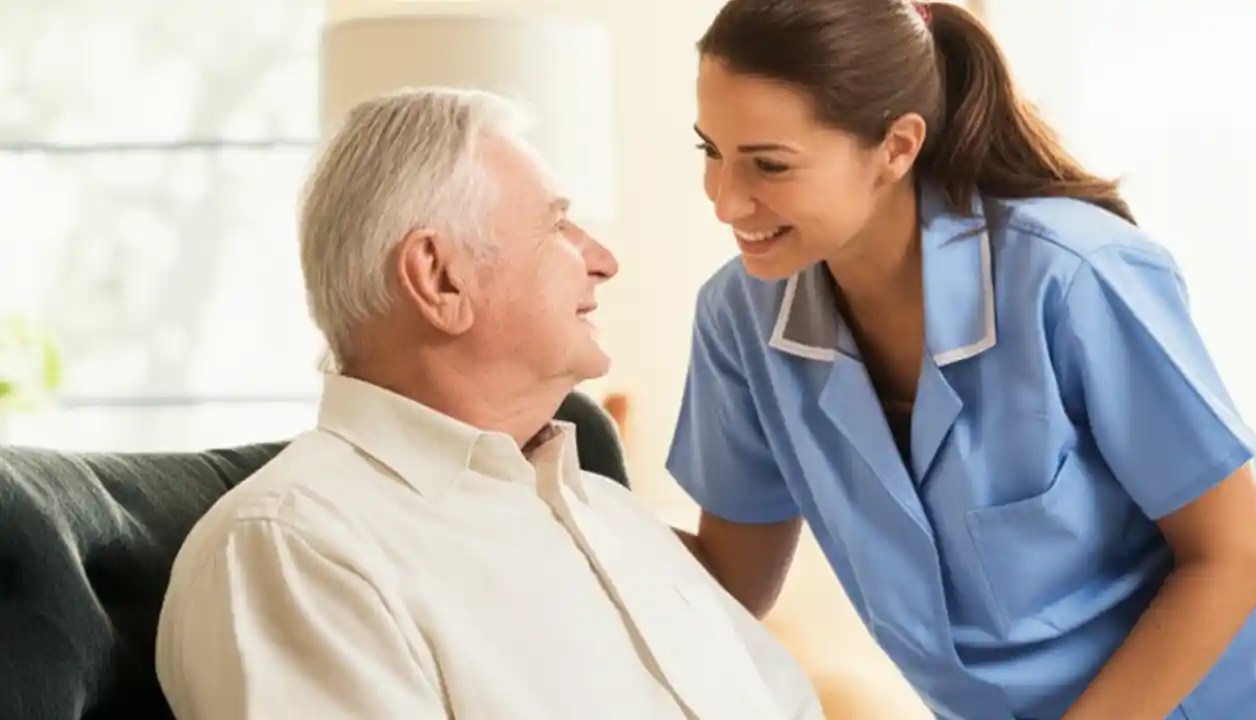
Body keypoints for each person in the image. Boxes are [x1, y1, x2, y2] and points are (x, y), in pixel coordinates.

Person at [669, 2, 1256, 719]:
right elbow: (733, 580)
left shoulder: (1073, 275)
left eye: (768, 164)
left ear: (897, 148)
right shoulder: (739, 319)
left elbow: (1236, 554)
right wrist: (548, 511)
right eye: (710, 150)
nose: (724, 200)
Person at [155, 87, 822, 720]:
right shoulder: (296, 548)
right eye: (559, 225)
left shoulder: (614, 514)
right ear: (440, 277)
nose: (604, 260)